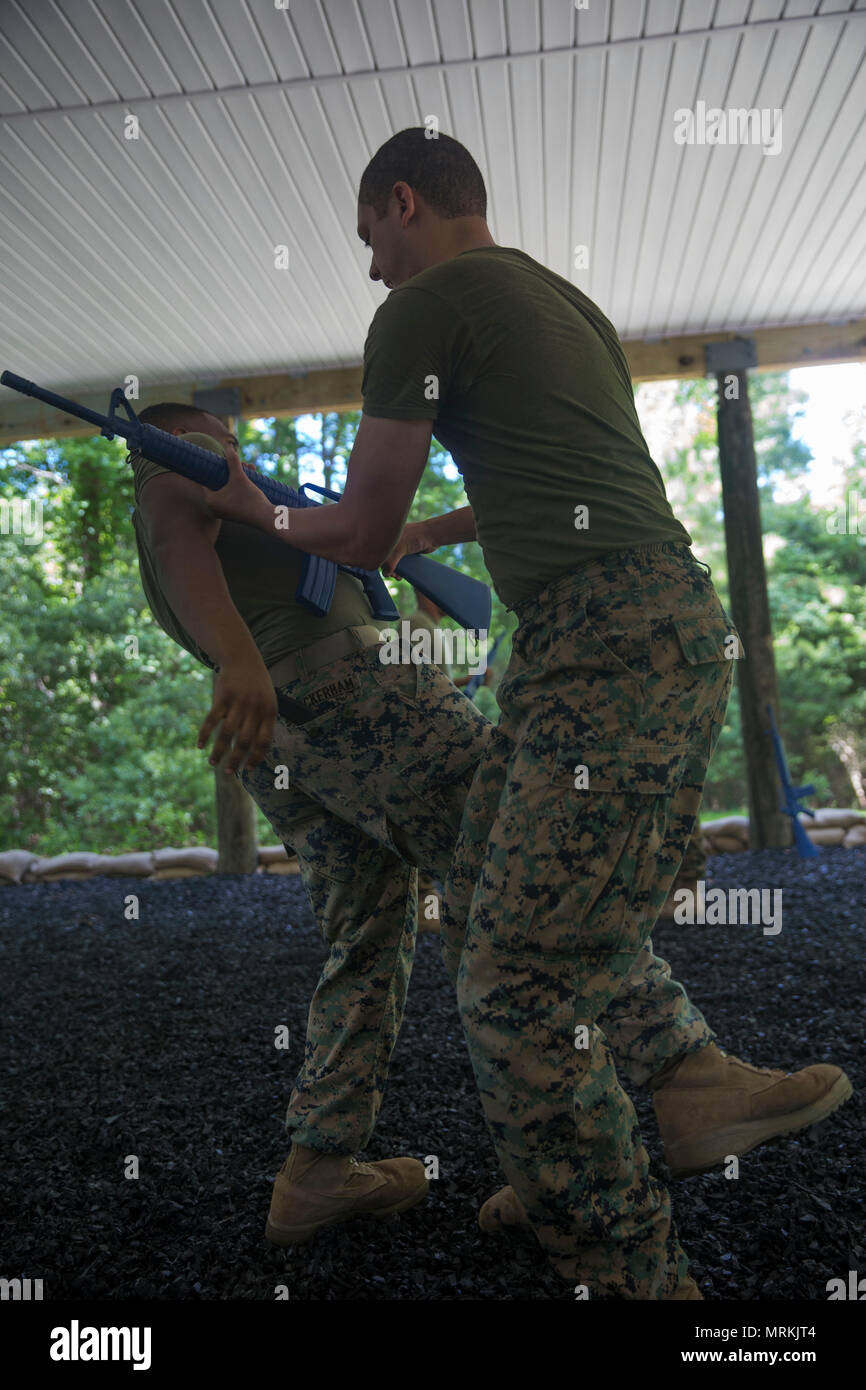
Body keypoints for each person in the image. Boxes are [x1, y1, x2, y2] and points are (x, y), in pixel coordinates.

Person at [176, 129, 851, 1298]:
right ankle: (640, 1116)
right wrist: (426, 534)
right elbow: (540, 494)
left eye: (369, 241)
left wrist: (257, 507)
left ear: (401, 204)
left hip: (602, 647)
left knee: (512, 984)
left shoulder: (421, 307)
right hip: (625, 629)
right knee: (485, 893)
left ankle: (625, 1261)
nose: (371, 270)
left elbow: (360, 528)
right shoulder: (560, 300)